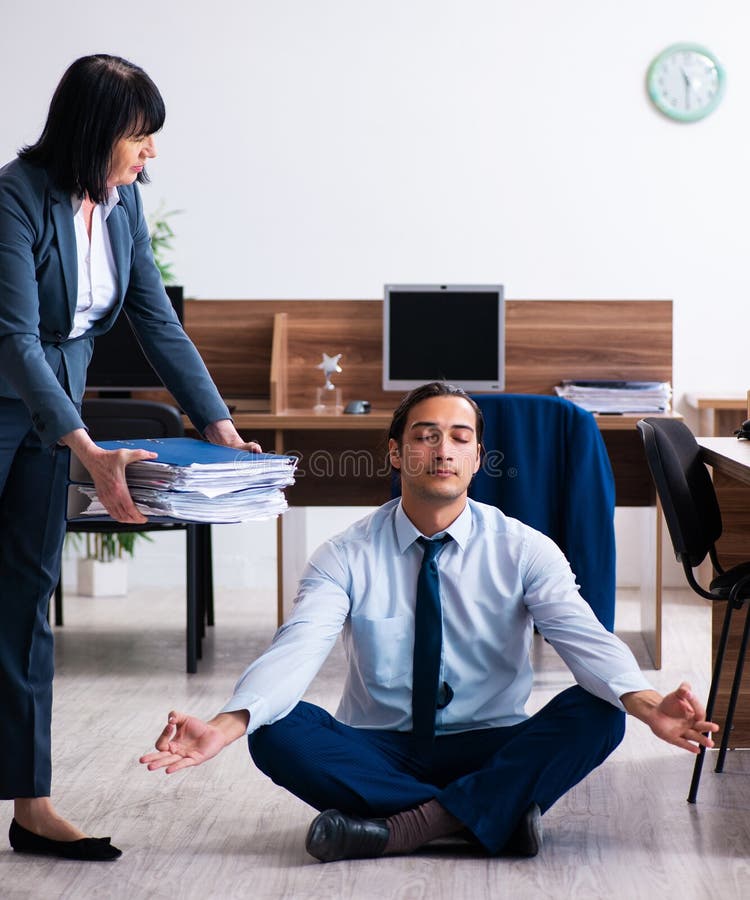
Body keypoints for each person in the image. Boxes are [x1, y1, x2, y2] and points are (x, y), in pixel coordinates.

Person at [140, 381, 718, 862]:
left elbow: (583, 638)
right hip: (379, 747)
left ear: (476, 459)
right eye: (424, 435)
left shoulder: (524, 549)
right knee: (274, 730)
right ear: (395, 454)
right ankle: (487, 815)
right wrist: (224, 725)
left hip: (490, 741)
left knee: (599, 712)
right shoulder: (345, 553)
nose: (442, 449)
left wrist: (646, 705)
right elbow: (297, 649)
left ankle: (401, 828)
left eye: (459, 438)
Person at [0, 54, 261, 861]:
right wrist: (84, 445)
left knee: (24, 605)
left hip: (53, 420)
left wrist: (217, 424)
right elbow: (13, 337)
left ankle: (31, 804)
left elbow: (155, 319)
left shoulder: (121, 205)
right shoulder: (13, 197)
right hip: (22, 405)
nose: (150, 153)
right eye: (139, 137)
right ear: (94, 131)